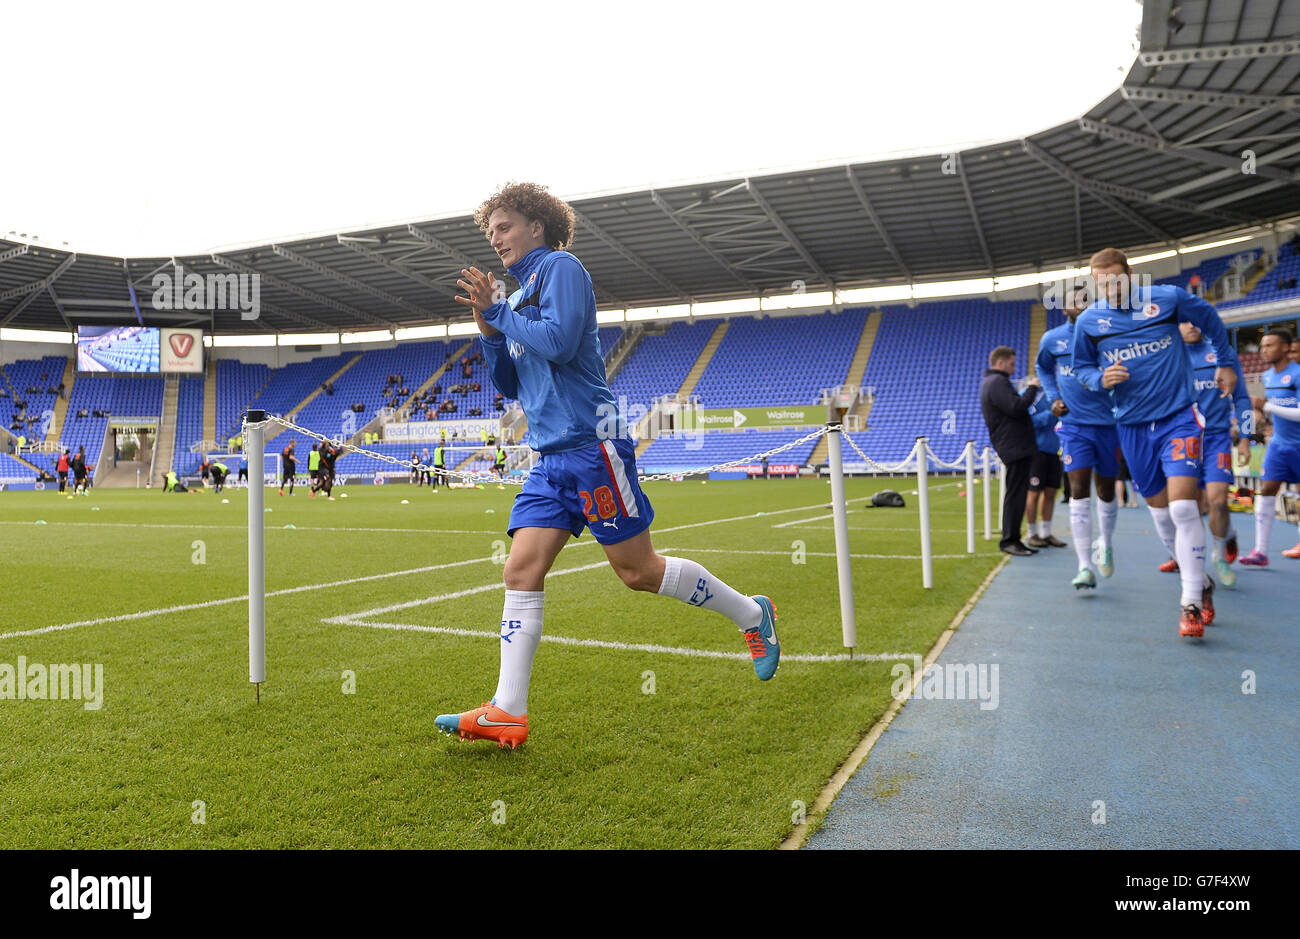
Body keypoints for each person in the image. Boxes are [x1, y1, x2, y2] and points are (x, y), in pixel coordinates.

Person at [435, 181, 780, 749]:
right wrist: (489, 328)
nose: (495, 239)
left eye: (504, 226)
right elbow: (507, 385)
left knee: (637, 572)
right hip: (549, 458)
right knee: (520, 570)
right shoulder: (515, 301)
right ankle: (507, 709)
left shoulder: (563, 269)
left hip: (594, 447)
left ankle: (751, 614)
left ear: (537, 226)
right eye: (490, 231)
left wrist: (501, 312)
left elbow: (564, 343)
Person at [1072, 247, 1240, 637]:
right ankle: (1202, 583)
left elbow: (1211, 319)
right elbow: (1081, 366)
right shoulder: (1090, 321)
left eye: (1117, 278)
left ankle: (1190, 604)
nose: (1111, 287)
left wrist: (1226, 362)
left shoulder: (1166, 299)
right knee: (1161, 514)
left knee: (1184, 510)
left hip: (1179, 417)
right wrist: (1099, 379)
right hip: (1130, 426)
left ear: (1130, 275)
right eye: (1102, 282)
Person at [1036, 284, 1122, 589]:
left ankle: (1106, 542)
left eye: (1088, 300)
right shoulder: (1053, 339)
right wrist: (1053, 398)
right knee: (1078, 488)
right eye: (1076, 302)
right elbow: (1043, 368)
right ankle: (1084, 566)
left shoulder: (1108, 335)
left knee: (1107, 489)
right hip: (1074, 426)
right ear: (1065, 309)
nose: (1082, 305)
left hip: (1110, 424)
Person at [1158, 322, 1251, 586]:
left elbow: (1242, 397)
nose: (1192, 325)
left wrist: (1245, 438)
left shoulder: (1222, 353)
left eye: (1196, 319)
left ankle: (1219, 554)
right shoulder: (1168, 354)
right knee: (1192, 506)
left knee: (1218, 501)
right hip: (1182, 437)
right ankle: (1191, 559)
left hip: (1217, 438)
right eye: (1185, 321)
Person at [1241, 328, 1300, 564]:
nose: (1264, 350)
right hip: (1279, 445)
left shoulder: (1297, 374)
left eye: (1270, 346)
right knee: (1266, 490)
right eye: (1263, 346)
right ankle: (1260, 551)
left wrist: (1267, 407)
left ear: (1286, 347)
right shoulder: (1266, 377)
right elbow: (1267, 409)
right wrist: (1260, 415)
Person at [979, 345, 1042, 556]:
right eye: (1012, 364)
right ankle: (1010, 540)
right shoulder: (997, 382)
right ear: (1000, 363)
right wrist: (1032, 388)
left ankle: (1012, 538)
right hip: (1014, 445)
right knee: (1015, 495)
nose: (1014, 369)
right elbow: (1016, 408)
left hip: (1013, 444)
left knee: (1016, 493)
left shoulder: (994, 382)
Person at [1024, 395, 1065, 548]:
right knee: (1033, 492)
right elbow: (1028, 422)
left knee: (1051, 492)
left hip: (1054, 450)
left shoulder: (1056, 396)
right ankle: (1031, 533)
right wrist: (1051, 414)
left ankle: (1046, 533)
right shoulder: (1030, 395)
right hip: (1037, 451)